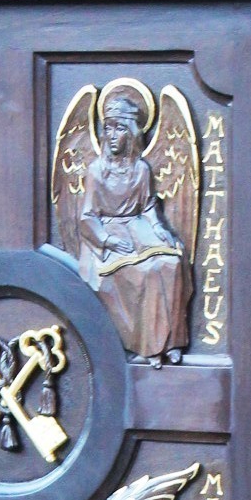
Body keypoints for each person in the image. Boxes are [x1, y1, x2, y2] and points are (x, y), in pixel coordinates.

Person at [74, 88, 193, 363]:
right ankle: (150, 347)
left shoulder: (140, 170)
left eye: (119, 129)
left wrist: (160, 229)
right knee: (146, 271)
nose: (112, 136)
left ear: (132, 134)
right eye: (108, 129)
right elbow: (87, 216)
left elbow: (148, 206)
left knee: (172, 263)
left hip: (140, 228)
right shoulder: (96, 171)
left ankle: (172, 341)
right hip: (107, 235)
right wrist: (107, 240)